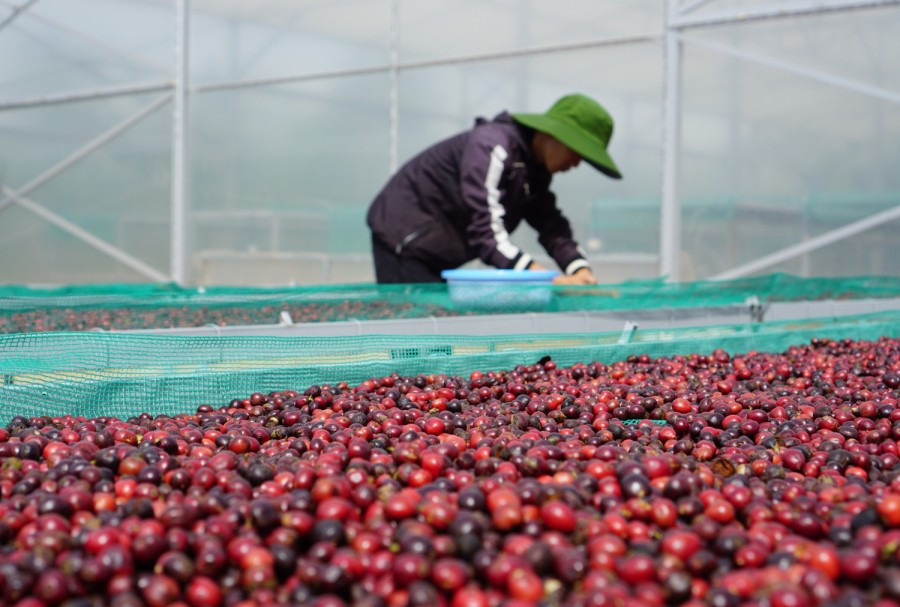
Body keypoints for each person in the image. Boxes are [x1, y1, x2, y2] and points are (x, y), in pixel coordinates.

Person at [366, 93, 622, 285]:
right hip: (405, 240)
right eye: (577, 152)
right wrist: (549, 279)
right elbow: (486, 233)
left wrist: (579, 270)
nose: (576, 163)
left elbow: (551, 225)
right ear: (555, 134)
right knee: (416, 336)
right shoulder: (492, 147)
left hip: (439, 251)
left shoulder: (534, 171)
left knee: (435, 338)